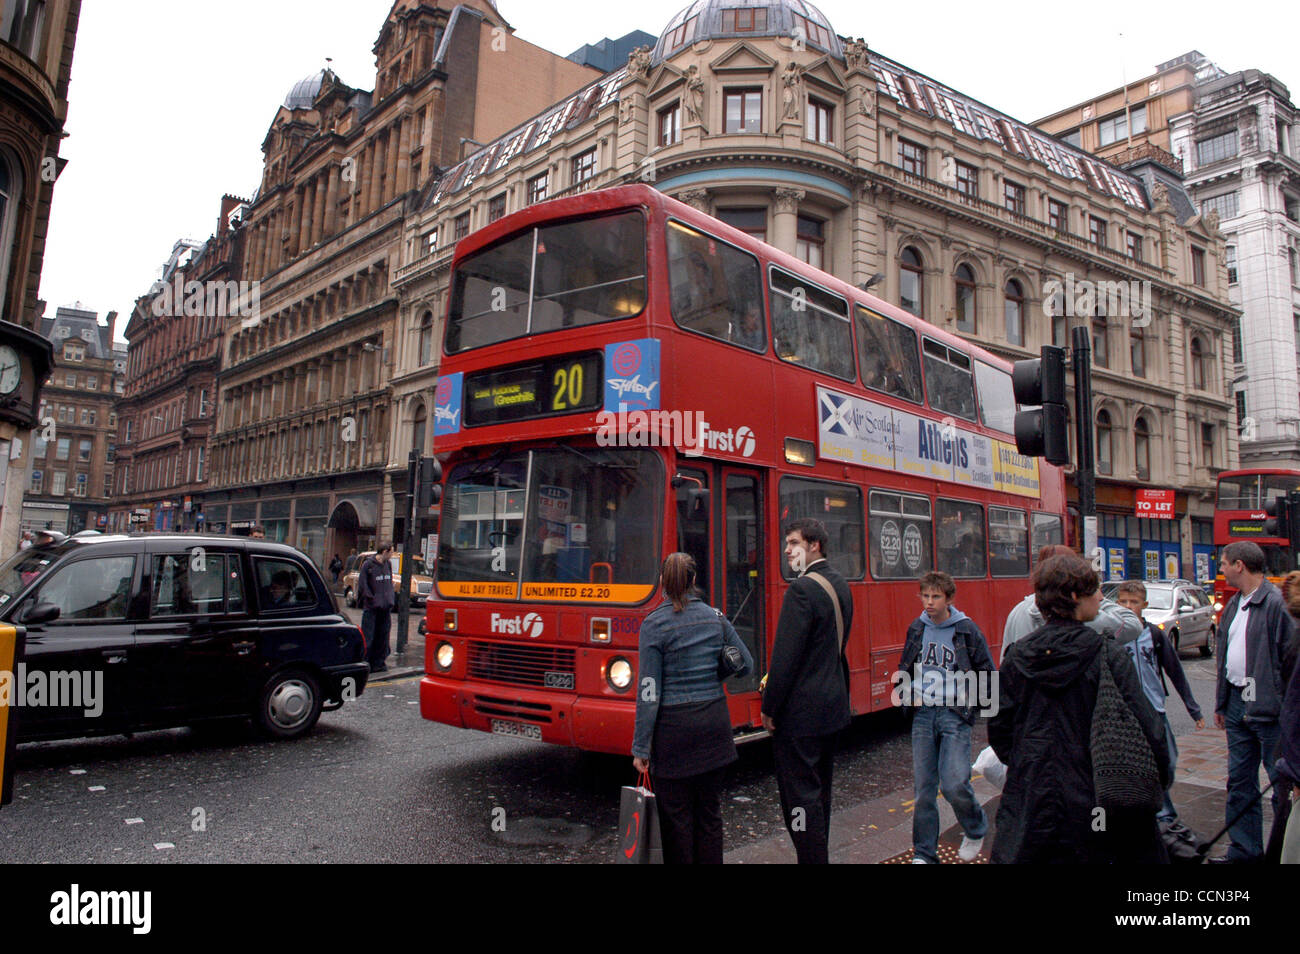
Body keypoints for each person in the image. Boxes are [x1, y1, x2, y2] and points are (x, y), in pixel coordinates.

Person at [990, 553, 1170, 863]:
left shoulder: (1016, 657)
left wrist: (1031, 763)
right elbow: (1149, 730)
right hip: (1098, 803)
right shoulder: (1107, 655)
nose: (1101, 597)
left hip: (1032, 805)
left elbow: (999, 730)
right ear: (1074, 597)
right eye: (1094, 590)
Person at [631, 552, 753, 864]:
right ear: (694, 581)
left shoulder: (654, 625)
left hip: (674, 734)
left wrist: (641, 748)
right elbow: (746, 665)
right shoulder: (716, 617)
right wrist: (715, 676)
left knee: (677, 821)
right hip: (714, 726)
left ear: (662, 583)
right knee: (710, 815)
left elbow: (649, 691)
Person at [761, 518, 852, 864]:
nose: (787, 550)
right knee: (820, 794)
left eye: (794, 543)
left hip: (800, 716)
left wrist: (770, 707)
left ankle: (811, 859)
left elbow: (785, 659)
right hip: (831, 708)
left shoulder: (801, 590)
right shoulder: (840, 584)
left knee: (799, 801)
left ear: (815, 545)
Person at [897, 571, 993, 864]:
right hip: (924, 713)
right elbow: (907, 665)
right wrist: (906, 693)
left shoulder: (965, 630)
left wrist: (977, 707)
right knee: (924, 789)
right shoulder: (917, 628)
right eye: (925, 596)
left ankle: (975, 827)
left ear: (949, 598)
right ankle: (925, 854)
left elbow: (987, 671)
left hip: (954, 714)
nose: (929, 602)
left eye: (935, 596)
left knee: (953, 782)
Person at [1214, 540, 1298, 862]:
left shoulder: (1275, 604)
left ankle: (1282, 852)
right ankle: (1244, 851)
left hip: (1268, 709)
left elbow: (1289, 660)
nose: (1221, 568)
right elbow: (1225, 657)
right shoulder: (1235, 604)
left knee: (1281, 786)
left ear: (1239, 565)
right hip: (1237, 703)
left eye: (1223, 562)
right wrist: (1222, 703)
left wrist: (1282, 705)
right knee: (1239, 782)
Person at [1114, 580, 1204, 834]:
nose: (1129, 607)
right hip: (1128, 714)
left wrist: (1193, 709)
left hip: (1155, 710)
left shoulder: (1153, 635)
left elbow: (1175, 672)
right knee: (1139, 764)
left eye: (1134, 602)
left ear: (1144, 605)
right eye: (1123, 602)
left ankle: (1158, 805)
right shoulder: (1114, 636)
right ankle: (1161, 814)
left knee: (1168, 760)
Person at [1001, 544, 1141, 663]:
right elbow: (1132, 625)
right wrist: (1100, 599)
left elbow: (1000, 672)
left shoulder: (1017, 611)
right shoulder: (1079, 614)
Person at [359, 543, 395, 673]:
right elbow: (363, 585)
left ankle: (379, 663)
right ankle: (366, 662)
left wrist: (390, 598)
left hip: (385, 608)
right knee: (369, 637)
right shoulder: (368, 565)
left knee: (383, 636)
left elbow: (389, 583)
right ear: (385, 551)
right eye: (391, 552)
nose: (392, 555)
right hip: (372, 608)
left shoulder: (388, 565)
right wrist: (372, 600)